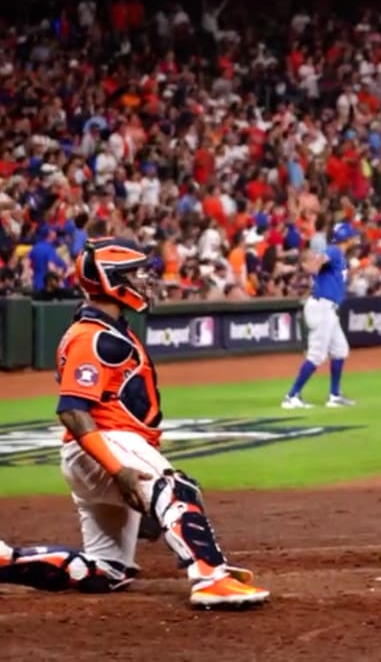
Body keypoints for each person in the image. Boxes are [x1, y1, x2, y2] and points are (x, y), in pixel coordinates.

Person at [0, 238, 268, 609]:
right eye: (135, 273)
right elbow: (72, 410)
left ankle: (5, 561)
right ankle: (212, 578)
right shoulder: (91, 338)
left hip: (100, 449)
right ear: (111, 280)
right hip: (102, 445)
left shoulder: (109, 330)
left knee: (107, 570)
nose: (145, 280)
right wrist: (119, 471)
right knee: (176, 490)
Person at [283, 221, 359, 409]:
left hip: (329, 309)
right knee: (317, 355)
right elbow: (318, 261)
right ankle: (292, 396)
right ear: (347, 239)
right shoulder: (334, 251)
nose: (355, 239)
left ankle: (334, 396)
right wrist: (314, 266)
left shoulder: (339, 255)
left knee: (340, 350)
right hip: (322, 307)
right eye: (352, 236)